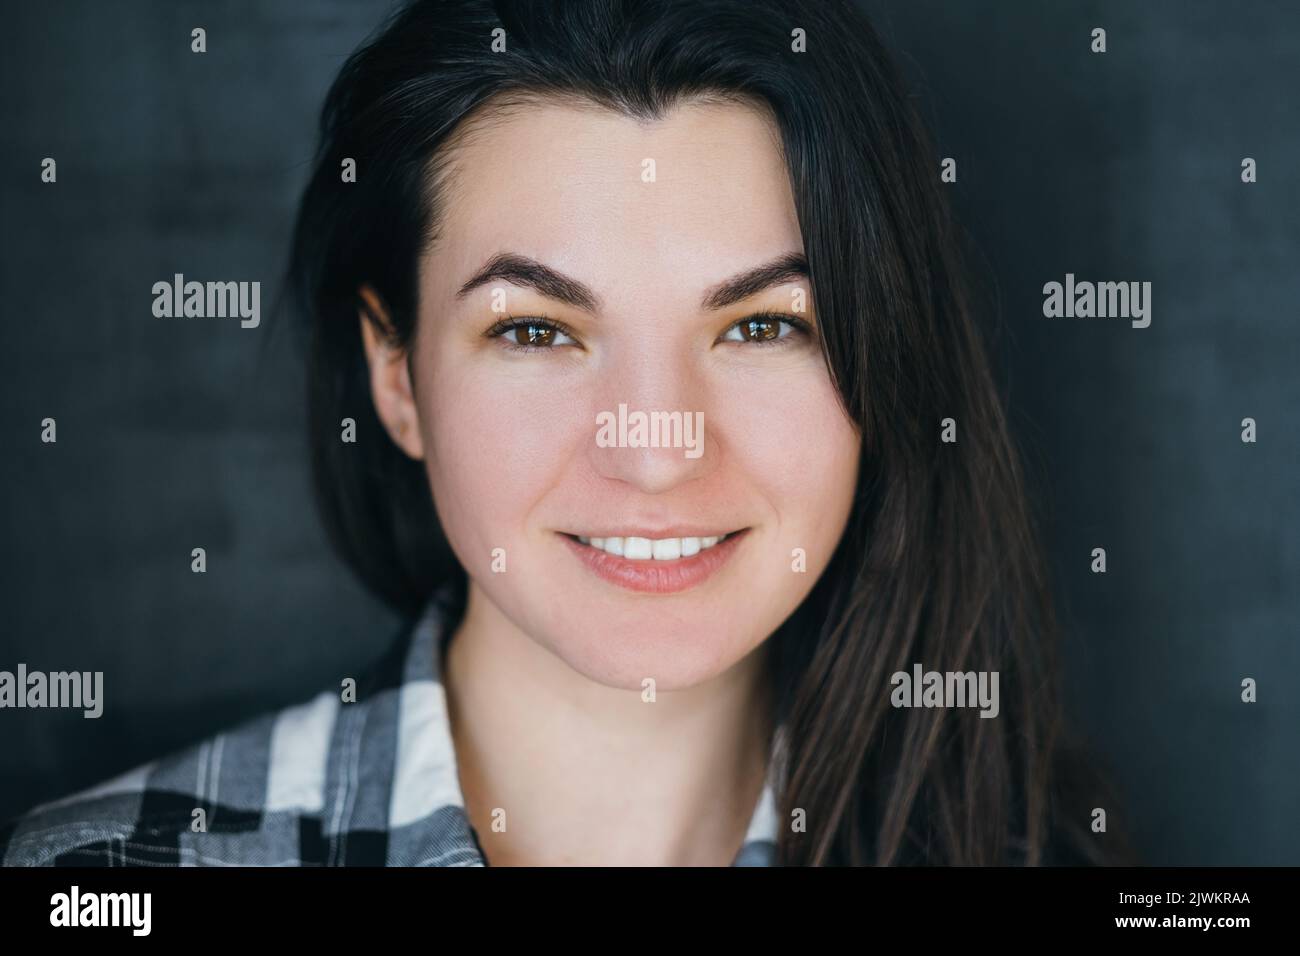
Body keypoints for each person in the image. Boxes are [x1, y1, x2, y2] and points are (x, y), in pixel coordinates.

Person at [1, 0, 1126, 867]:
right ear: (395, 376)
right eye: (537, 329)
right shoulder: (112, 873)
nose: (654, 446)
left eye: (764, 324)